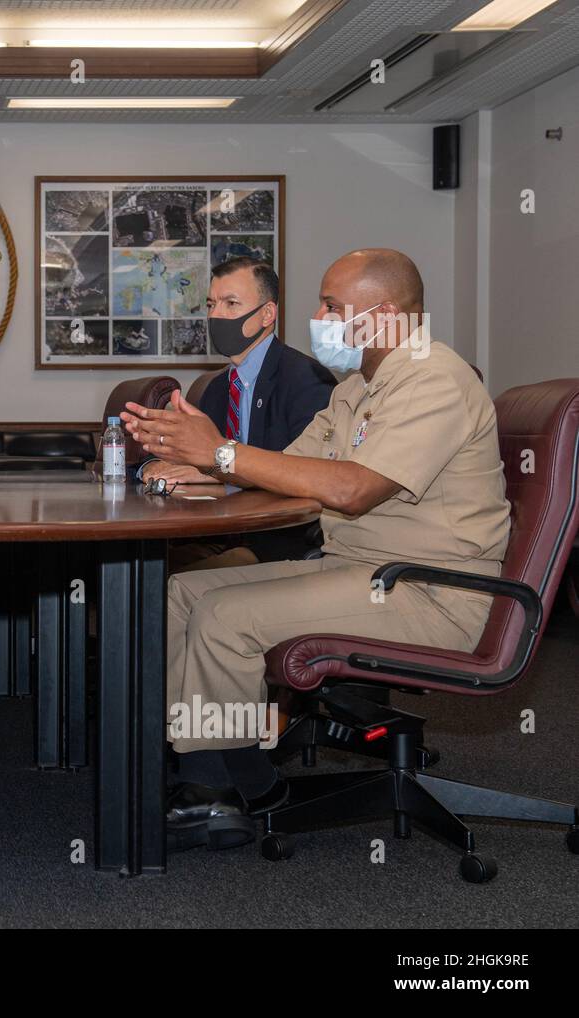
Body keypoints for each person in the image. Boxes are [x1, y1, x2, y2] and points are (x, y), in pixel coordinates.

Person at [120, 248, 510, 853]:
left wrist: (220, 454)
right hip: (362, 572)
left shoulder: (435, 379)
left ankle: (215, 793)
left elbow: (352, 490)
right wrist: (195, 456)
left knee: (226, 616)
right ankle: (232, 776)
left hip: (431, 590)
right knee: (184, 592)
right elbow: (289, 469)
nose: (318, 316)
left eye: (332, 305)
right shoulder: (358, 386)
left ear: (381, 315)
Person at [139, 257, 335, 568]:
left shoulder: (306, 380)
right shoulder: (218, 387)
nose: (216, 314)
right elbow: (195, 458)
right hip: (220, 531)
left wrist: (214, 474)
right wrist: (156, 465)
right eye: (210, 304)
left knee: (164, 582)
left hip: (277, 543)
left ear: (267, 314)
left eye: (231, 303)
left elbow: (304, 475)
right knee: (142, 566)